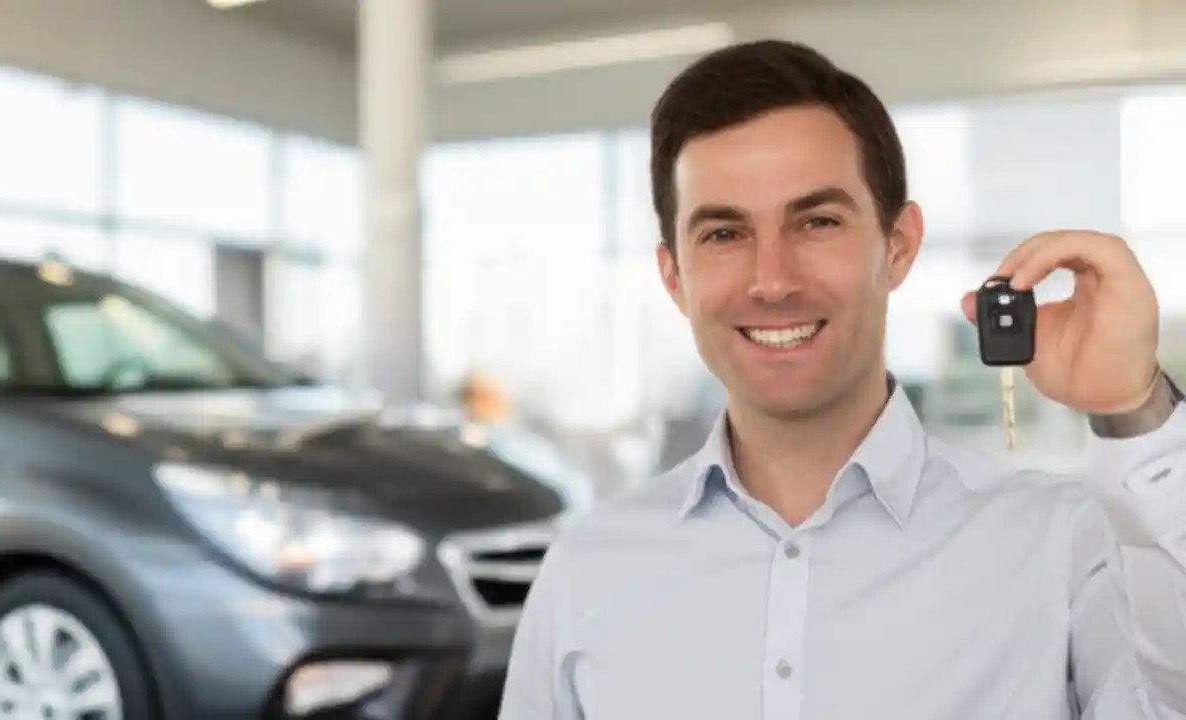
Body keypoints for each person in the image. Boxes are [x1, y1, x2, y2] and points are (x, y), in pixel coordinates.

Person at [498, 39, 1186, 719]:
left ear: (898, 246)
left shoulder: (1063, 543)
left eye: (817, 221)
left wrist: (1134, 407)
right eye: (724, 234)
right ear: (674, 276)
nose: (773, 281)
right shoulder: (585, 570)